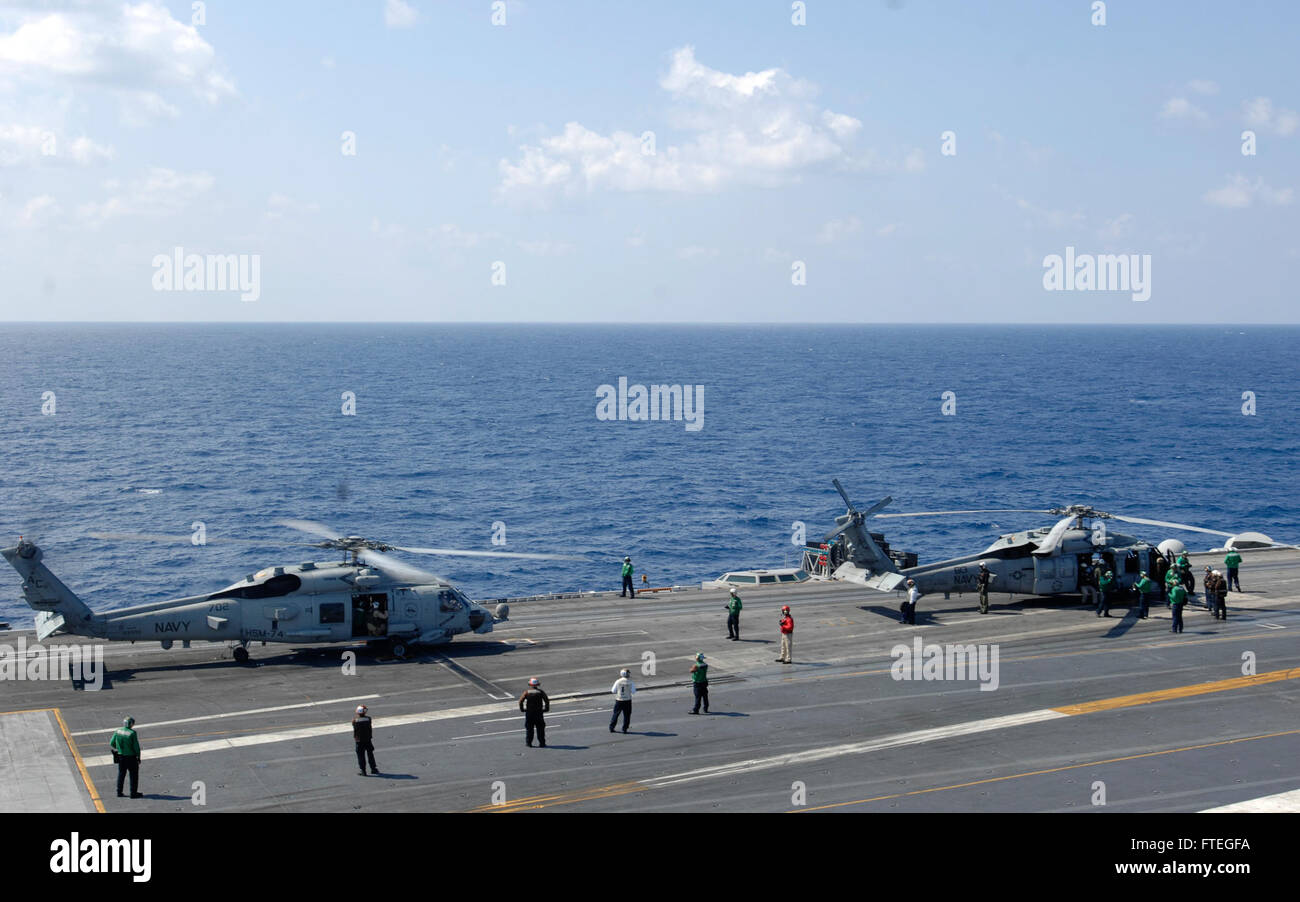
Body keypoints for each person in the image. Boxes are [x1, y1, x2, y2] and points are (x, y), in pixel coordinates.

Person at [109, 716, 142, 799]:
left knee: (121, 774)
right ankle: (133, 793)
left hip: (121, 756)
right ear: (131, 724)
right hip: (131, 757)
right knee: (133, 775)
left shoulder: (118, 731)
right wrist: (138, 756)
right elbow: (136, 747)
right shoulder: (132, 733)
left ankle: (119, 792)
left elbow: (112, 743)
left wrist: (119, 748)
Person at [519, 677, 550, 747]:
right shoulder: (541, 692)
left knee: (529, 729)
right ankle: (542, 743)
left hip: (529, 713)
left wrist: (522, 709)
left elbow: (520, 701)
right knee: (540, 729)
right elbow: (547, 701)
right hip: (539, 713)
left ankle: (529, 743)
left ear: (530, 684)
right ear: (537, 685)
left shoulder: (526, 692)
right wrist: (546, 709)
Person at [352, 704, 379, 775]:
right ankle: (373, 769)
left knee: (361, 756)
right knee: (370, 754)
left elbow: (354, 727)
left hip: (359, 740)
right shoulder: (368, 719)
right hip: (367, 740)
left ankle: (363, 770)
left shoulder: (354, 720)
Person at [609, 668, 635, 733]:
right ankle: (624, 729)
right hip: (627, 700)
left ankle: (611, 727)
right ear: (627, 674)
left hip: (619, 700)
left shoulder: (618, 681)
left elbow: (613, 691)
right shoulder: (630, 682)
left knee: (616, 714)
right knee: (627, 715)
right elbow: (633, 691)